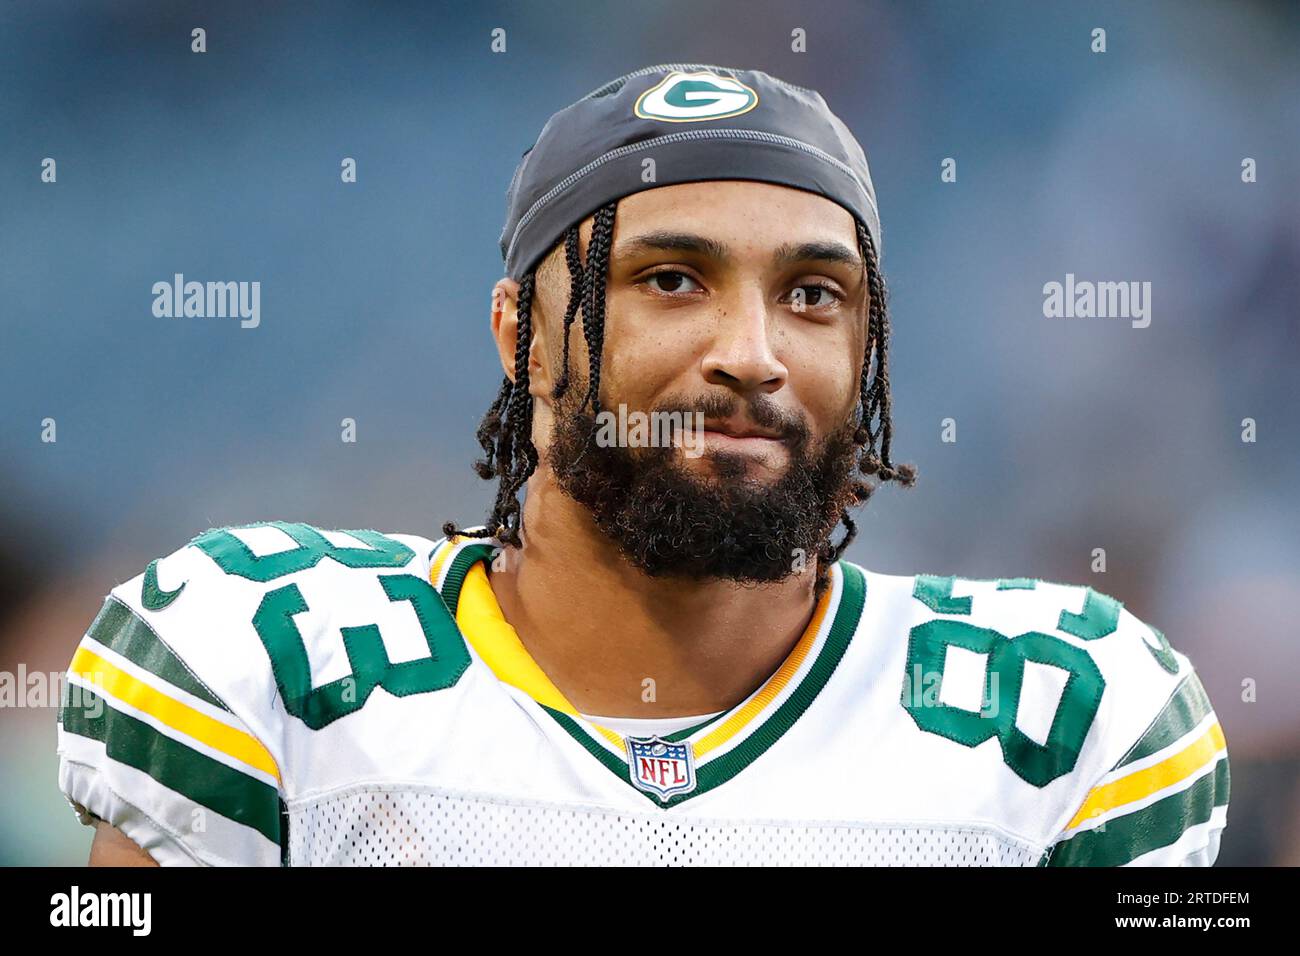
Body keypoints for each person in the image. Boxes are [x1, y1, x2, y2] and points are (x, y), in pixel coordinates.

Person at [58, 64, 1228, 866]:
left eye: (812, 295)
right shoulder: (261, 663)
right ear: (521, 337)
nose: (751, 357)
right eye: (671, 279)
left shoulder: (1070, 722)